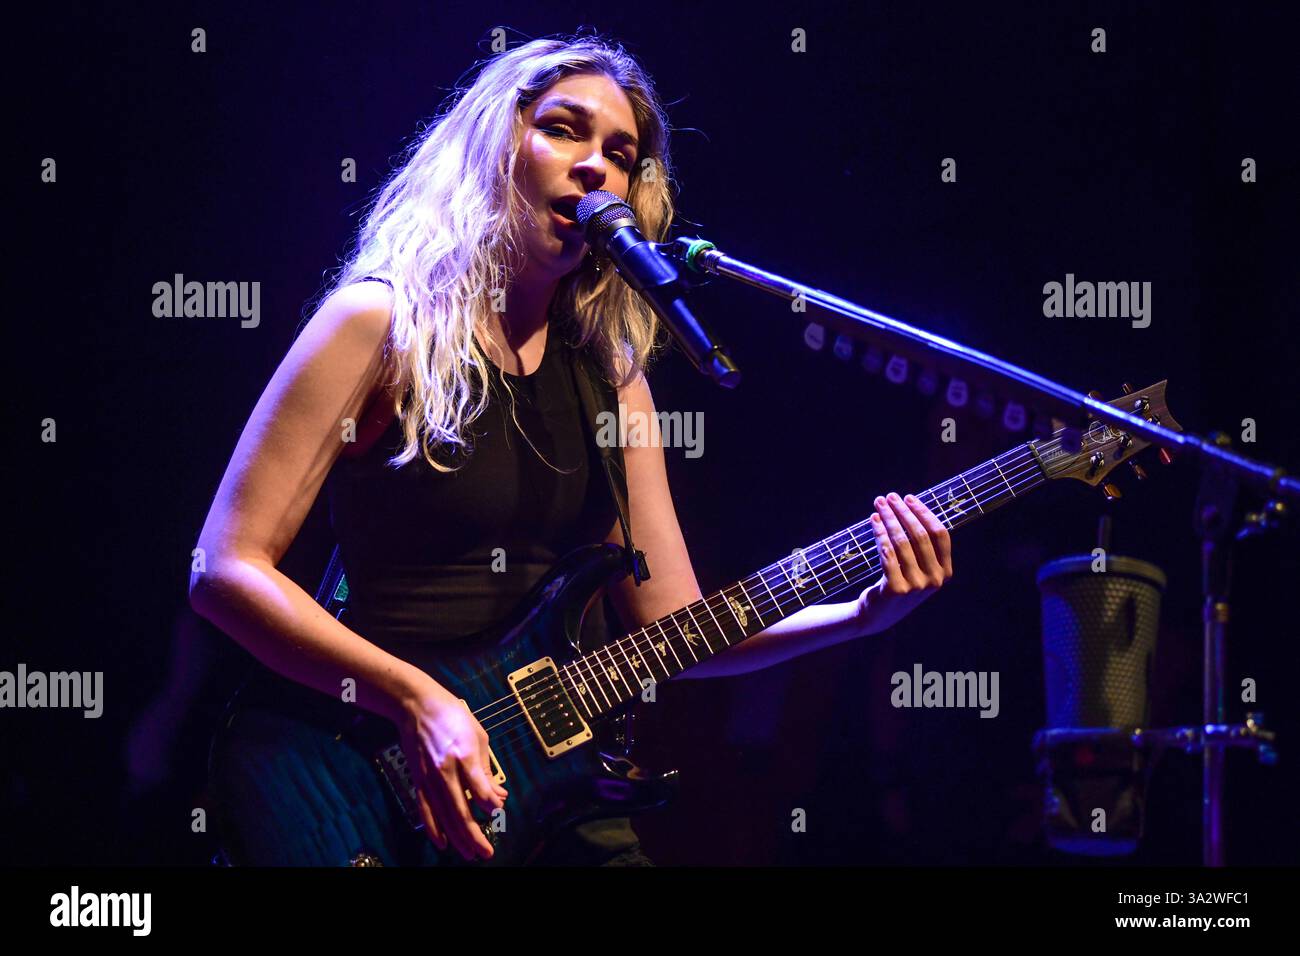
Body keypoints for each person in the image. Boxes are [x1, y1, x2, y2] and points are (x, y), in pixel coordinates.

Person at [188, 33, 953, 867]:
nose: (595, 166)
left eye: (620, 154)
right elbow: (226, 570)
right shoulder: (379, 325)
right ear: (495, 145)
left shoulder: (614, 378)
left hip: (553, 796)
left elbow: (671, 625)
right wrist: (416, 700)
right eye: (563, 129)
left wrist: (860, 615)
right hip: (358, 768)